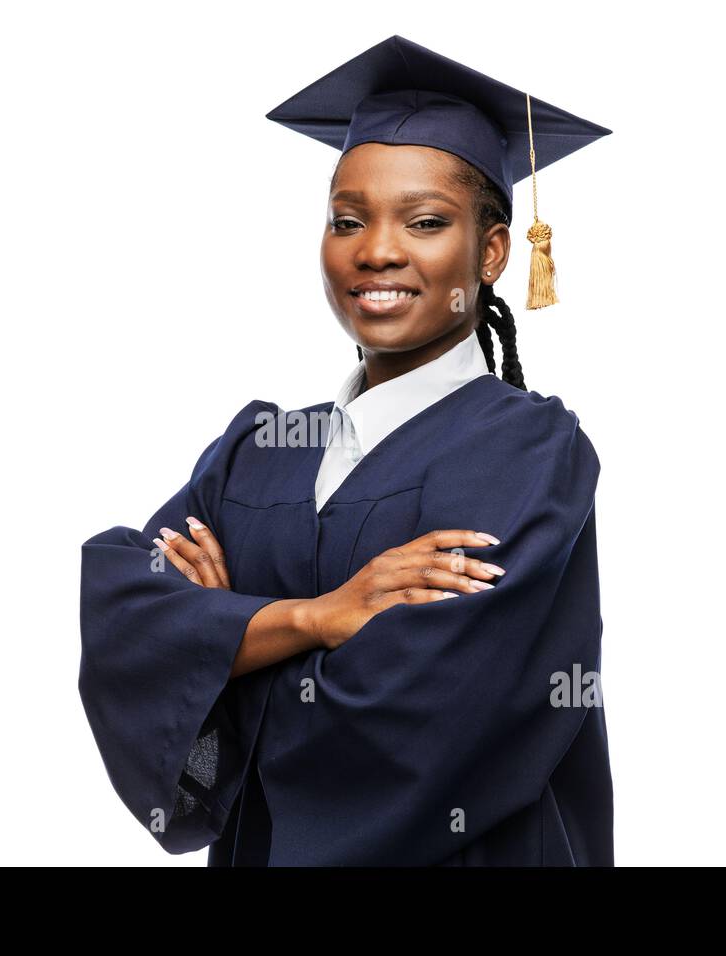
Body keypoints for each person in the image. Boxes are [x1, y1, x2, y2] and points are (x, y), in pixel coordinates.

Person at [78, 35, 614, 866]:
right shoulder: (256, 452)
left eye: (427, 222)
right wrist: (317, 618)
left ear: (494, 253)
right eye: (347, 220)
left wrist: (225, 645)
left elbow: (427, 718)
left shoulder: (528, 452)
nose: (377, 251)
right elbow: (124, 619)